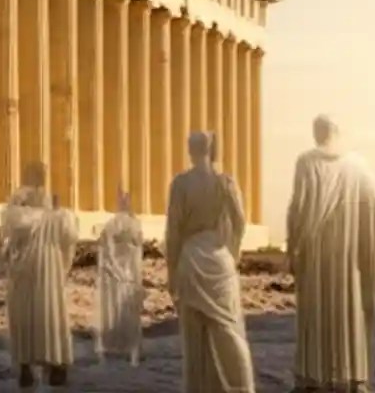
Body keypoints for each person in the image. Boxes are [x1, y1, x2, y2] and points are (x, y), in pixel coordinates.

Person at [286, 115, 375, 393]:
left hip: (316, 249)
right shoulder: (358, 167)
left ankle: (312, 375)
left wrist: (293, 246)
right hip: (347, 252)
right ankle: (351, 376)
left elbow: (298, 207)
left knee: (315, 313)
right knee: (347, 309)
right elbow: (374, 206)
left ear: (317, 133)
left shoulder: (306, 162)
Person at [166, 131, 256, 393]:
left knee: (195, 338)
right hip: (218, 257)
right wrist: (232, 251)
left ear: (190, 150)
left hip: (191, 257)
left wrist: (172, 270)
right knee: (228, 330)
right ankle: (240, 386)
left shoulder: (181, 184)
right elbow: (239, 221)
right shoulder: (225, 182)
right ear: (210, 149)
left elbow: (174, 231)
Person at [0, 162, 79, 389]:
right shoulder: (56, 212)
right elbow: (69, 237)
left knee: (24, 317)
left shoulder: (17, 209)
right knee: (50, 316)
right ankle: (55, 365)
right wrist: (63, 266)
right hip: (49, 267)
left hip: (24, 270)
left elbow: (7, 233)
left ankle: (25, 367)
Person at [95, 188, 144, 366]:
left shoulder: (115, 224)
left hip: (119, 272)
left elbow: (107, 251)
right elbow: (136, 250)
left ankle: (118, 346)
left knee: (117, 309)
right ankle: (127, 348)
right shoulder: (130, 224)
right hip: (126, 272)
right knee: (123, 310)